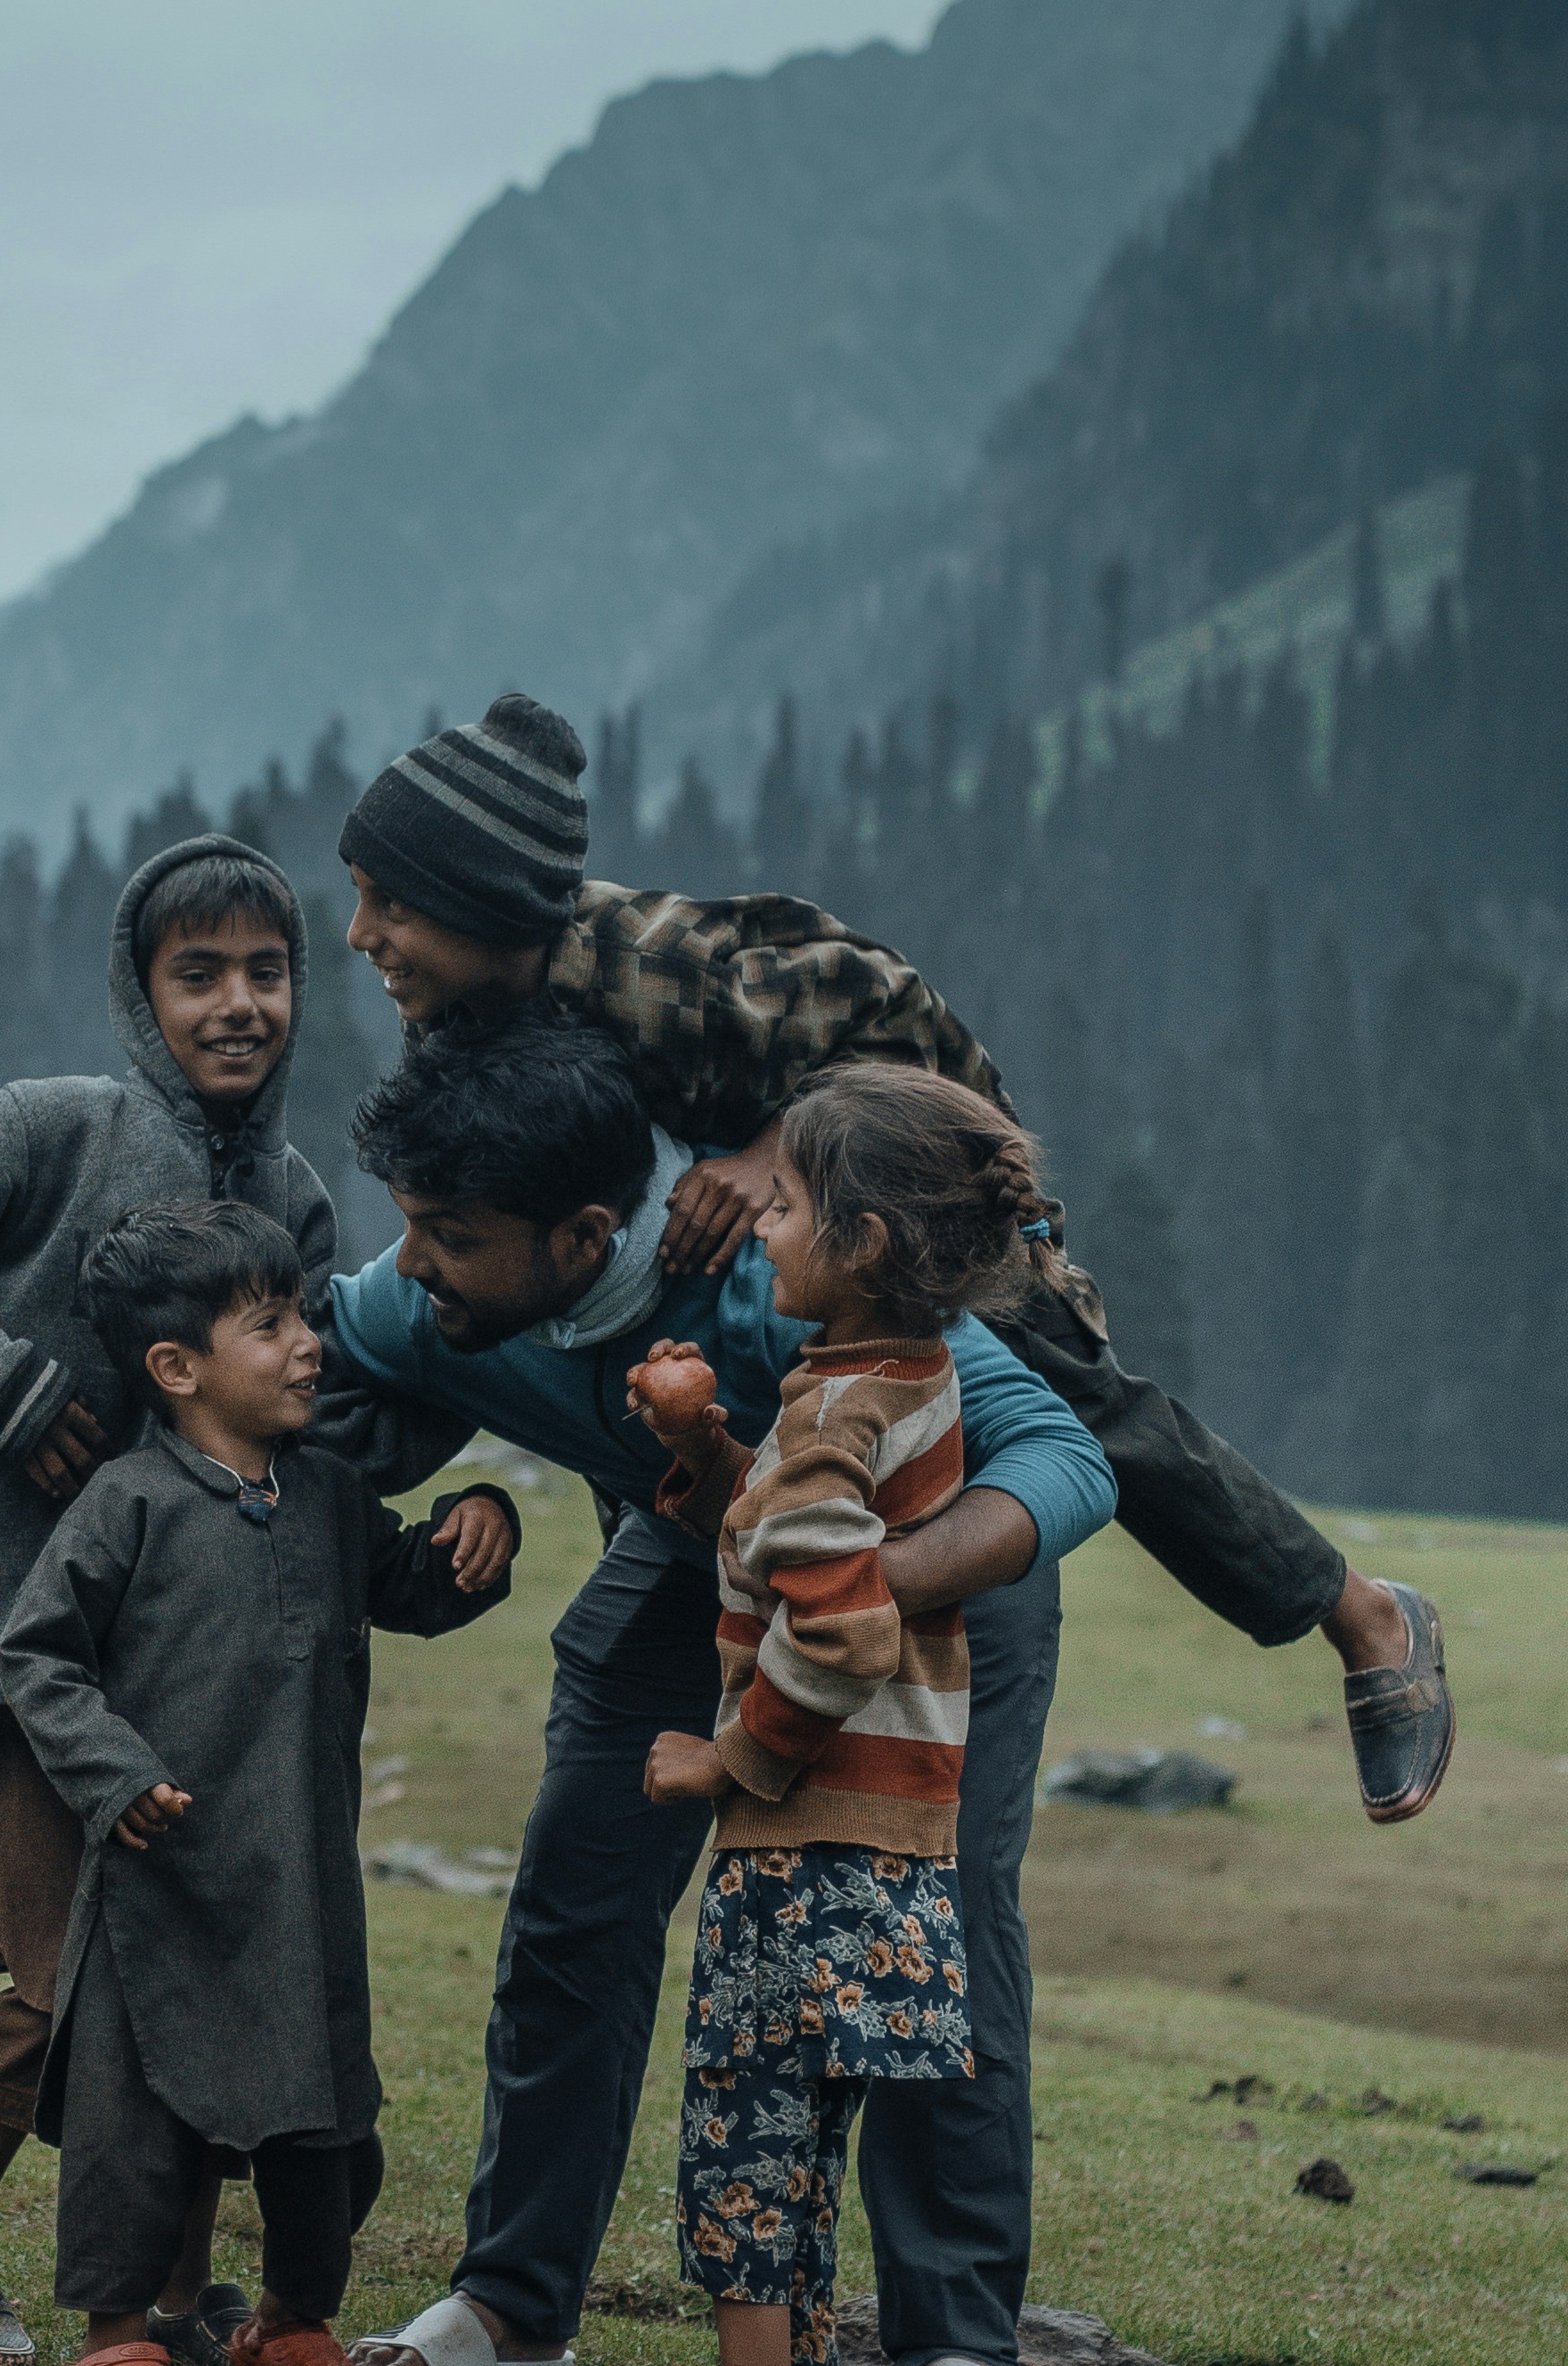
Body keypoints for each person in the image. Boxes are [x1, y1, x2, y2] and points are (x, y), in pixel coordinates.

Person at [334, 691, 1454, 1825]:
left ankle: (1362, 1612)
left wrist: (770, 1147)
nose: (359, 934)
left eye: (391, 904)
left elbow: (902, 1030)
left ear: (490, 906)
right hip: (753, 1252)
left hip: (923, 1198)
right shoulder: (462, 1004)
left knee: (1080, 1405)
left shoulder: (659, 973)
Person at [310, 1010, 1107, 2366]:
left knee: (935, 1945)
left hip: (936, 1600)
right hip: (702, 1567)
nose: (410, 1262)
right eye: (407, 1224)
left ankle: (958, 2344)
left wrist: (869, 1584)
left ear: (582, 1235)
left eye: (448, 1233)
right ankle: (512, 2304)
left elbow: (1063, 1461)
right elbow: (313, 1362)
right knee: (577, 1899)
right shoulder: (421, 1298)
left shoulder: (792, 1287)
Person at [0, 839, 516, 2366]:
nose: (238, 1003)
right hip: (11, 1644)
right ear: (140, 993)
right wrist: (0, 1382)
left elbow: (316, 1425)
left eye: (266, 972)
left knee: (196, 1960)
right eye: (196, 973)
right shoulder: (45, 1131)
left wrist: (457, 1500)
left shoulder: (290, 1196)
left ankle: (178, 2297)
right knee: (77, 1984)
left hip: (193, 1673)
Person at [581, 1067, 1039, 2366]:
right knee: (793, 2120)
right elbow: (802, 1537)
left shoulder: (838, 1408)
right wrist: (703, 1450)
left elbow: (838, 1623)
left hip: (809, 1838)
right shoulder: (908, 1379)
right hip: (890, 1842)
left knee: (745, 2116)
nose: (755, 1231)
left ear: (867, 1247)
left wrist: (730, 1759)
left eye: (782, 1209)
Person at [0, 1199, 511, 2366]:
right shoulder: (128, 1504)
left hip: (303, 1876)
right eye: (268, 1325)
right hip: (160, 1869)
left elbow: (415, 1589)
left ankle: (293, 2319)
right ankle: (116, 2344)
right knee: (136, 2112)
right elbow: (38, 1661)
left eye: (304, 1318)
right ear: (177, 1369)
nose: (308, 1346)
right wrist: (113, 1779)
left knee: (324, 2111)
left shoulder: (329, 1495)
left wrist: (481, 1524)